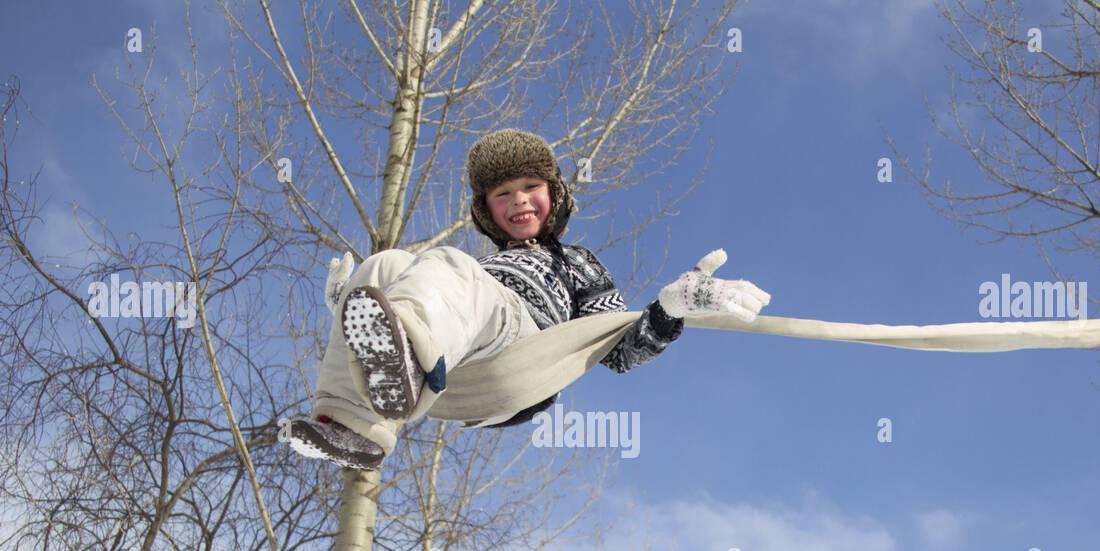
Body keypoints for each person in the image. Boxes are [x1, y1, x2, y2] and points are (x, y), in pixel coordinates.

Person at [288, 128, 770, 469]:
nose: (518, 200)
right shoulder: (484, 273)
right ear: (487, 212)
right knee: (386, 264)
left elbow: (617, 350)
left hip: (525, 359)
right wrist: (356, 306)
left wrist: (671, 308)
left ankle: (409, 351)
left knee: (448, 265)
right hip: (459, 375)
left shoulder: (576, 263)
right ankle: (353, 429)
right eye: (503, 193)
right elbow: (444, 293)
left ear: (554, 195)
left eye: (530, 187)